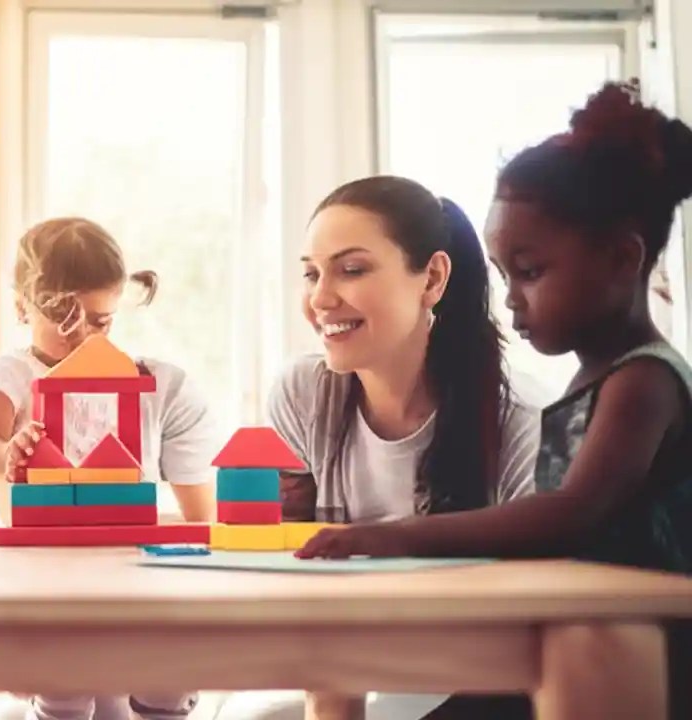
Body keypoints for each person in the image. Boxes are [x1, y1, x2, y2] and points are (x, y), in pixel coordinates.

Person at [297, 80, 692, 720]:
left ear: (622, 259)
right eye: (506, 276)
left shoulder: (643, 383)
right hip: (579, 638)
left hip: (636, 660)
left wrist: (395, 538)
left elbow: (569, 513)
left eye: (530, 273)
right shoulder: (596, 383)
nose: (510, 300)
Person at [234, 175, 541, 720]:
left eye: (352, 270)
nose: (320, 298)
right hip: (351, 672)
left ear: (433, 279)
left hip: (492, 686)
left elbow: (537, 623)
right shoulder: (305, 393)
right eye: (311, 273)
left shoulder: (520, 418)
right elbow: (301, 584)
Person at [0, 217, 216, 720]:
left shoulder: (151, 383)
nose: (80, 335)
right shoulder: (10, 375)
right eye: (62, 316)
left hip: (132, 574)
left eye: (99, 321)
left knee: (165, 684)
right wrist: (10, 454)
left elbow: (201, 520)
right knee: (68, 688)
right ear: (22, 305)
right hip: (44, 577)